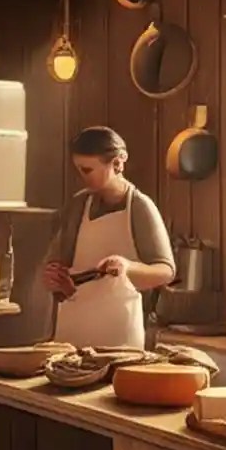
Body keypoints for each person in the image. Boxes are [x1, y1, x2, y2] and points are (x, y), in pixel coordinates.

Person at [44, 126, 175, 348]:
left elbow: (165, 271)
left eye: (87, 170)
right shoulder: (78, 205)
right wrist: (55, 279)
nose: (81, 177)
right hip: (75, 326)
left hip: (118, 333)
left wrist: (126, 267)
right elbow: (59, 264)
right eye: (78, 169)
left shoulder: (139, 208)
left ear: (117, 164)